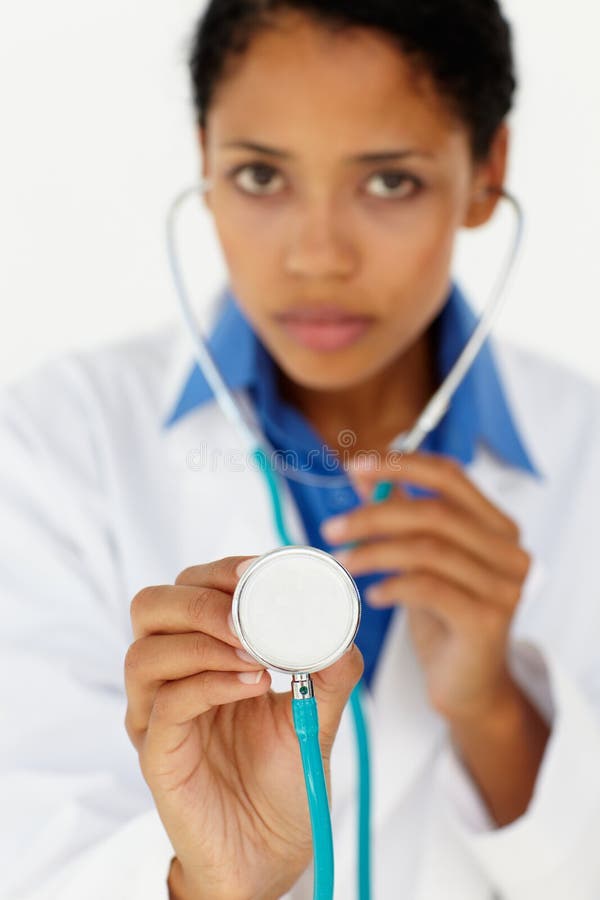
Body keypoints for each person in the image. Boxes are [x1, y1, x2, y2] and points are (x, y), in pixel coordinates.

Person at [2, 1, 600, 898]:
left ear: (486, 173)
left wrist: (496, 711)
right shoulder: (57, 444)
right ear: (205, 161)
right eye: (259, 176)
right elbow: (30, 855)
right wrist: (206, 883)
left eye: (389, 182)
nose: (318, 256)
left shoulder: (587, 450)